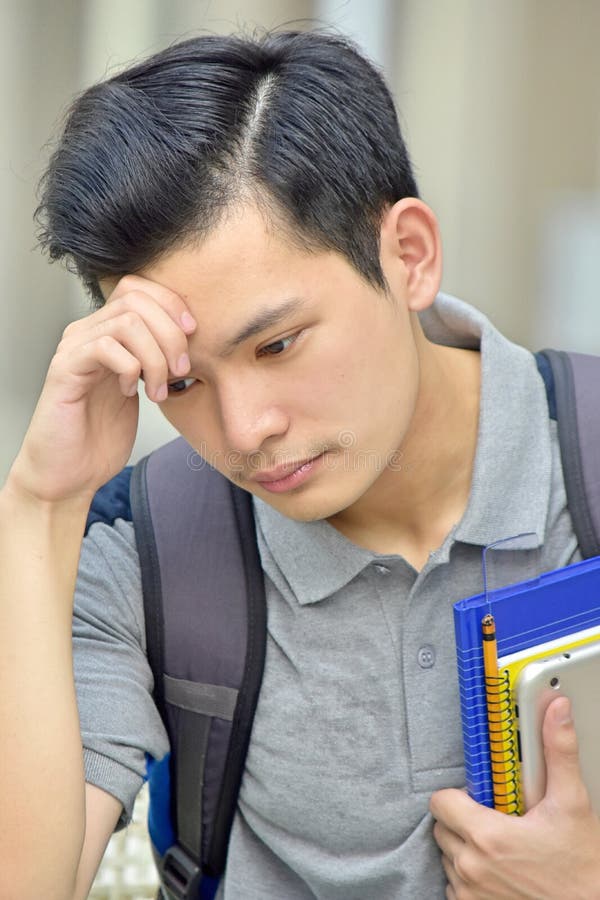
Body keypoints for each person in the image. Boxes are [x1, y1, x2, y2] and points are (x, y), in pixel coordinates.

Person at [1, 28, 599, 900]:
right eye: (182, 380)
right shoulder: (142, 548)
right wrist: (41, 503)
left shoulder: (580, 455)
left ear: (410, 256)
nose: (246, 430)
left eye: (278, 344)